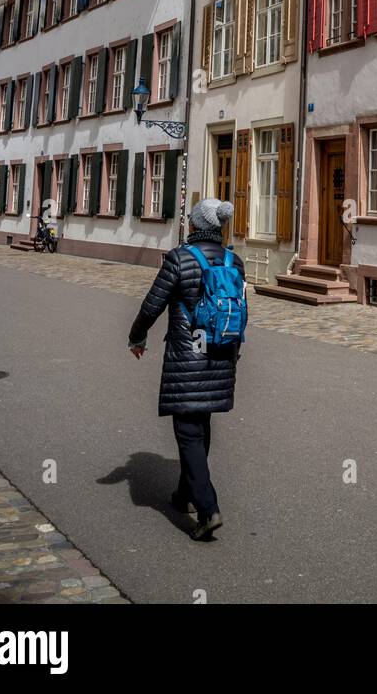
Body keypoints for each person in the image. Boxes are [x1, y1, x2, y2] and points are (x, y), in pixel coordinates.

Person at [128, 198, 244, 540]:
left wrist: (137, 337)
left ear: (194, 225)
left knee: (189, 428)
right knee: (199, 423)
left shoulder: (180, 259)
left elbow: (153, 304)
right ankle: (185, 495)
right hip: (222, 352)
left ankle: (208, 509)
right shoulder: (233, 261)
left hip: (188, 355)